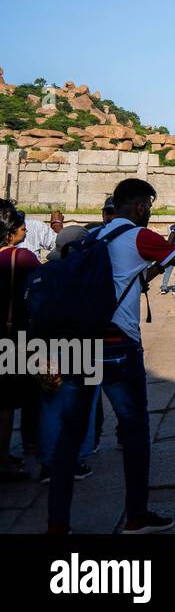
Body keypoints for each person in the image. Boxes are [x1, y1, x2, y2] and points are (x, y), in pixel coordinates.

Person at [47, 177, 175, 534]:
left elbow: (130, 277)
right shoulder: (139, 236)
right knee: (134, 431)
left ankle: (57, 524)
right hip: (117, 346)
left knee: (70, 436)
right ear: (141, 208)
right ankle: (136, 515)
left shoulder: (95, 236)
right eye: (148, 206)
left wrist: (158, 264)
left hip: (79, 345)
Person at [37, 225, 99, 482]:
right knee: (83, 403)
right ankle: (76, 460)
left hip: (42, 343)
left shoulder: (43, 271)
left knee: (50, 404)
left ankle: (49, 464)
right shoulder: (85, 273)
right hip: (79, 343)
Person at [0, 200, 41, 481]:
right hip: (11, 338)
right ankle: (2, 460)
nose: (24, 227)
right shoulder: (21, 258)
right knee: (6, 402)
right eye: (19, 223)